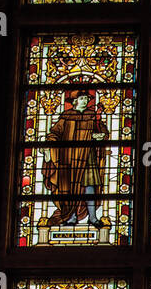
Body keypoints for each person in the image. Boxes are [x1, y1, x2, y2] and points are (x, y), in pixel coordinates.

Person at [42, 89, 109, 229]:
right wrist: (49, 144)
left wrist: (101, 135)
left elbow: (102, 130)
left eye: (86, 99)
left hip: (88, 157)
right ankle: (71, 216)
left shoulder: (92, 116)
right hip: (69, 158)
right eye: (82, 99)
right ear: (74, 101)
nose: (85, 101)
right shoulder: (66, 117)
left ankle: (92, 217)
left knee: (90, 186)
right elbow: (55, 133)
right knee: (70, 188)